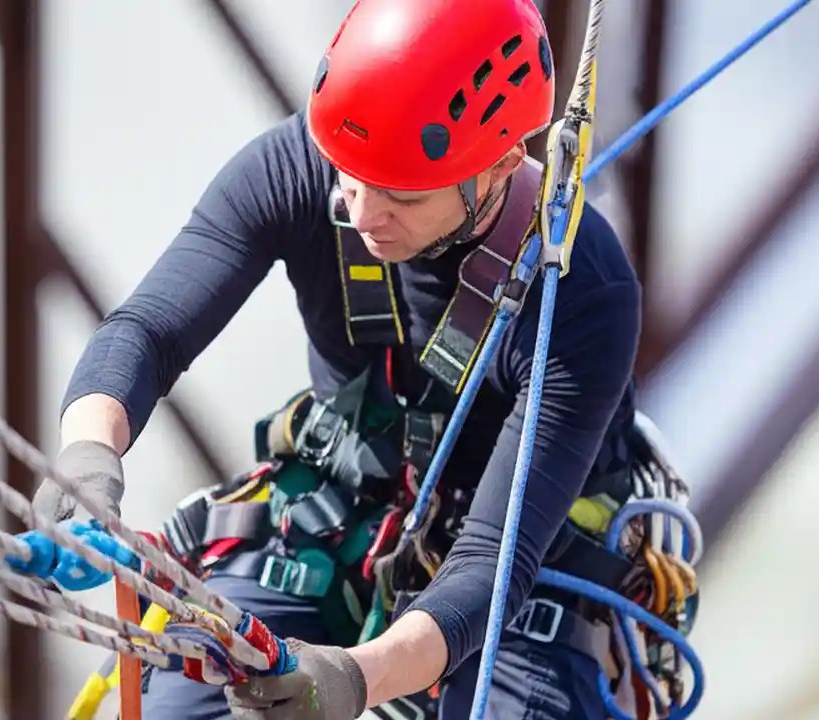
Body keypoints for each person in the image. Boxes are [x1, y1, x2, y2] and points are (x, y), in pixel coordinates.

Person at [32, 0, 644, 717]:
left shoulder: (581, 293)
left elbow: (492, 562)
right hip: (340, 513)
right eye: (349, 173)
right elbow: (149, 332)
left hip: (529, 569)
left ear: (502, 163)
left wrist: (356, 677)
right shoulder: (299, 166)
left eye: (402, 194)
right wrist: (88, 456)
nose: (359, 210)